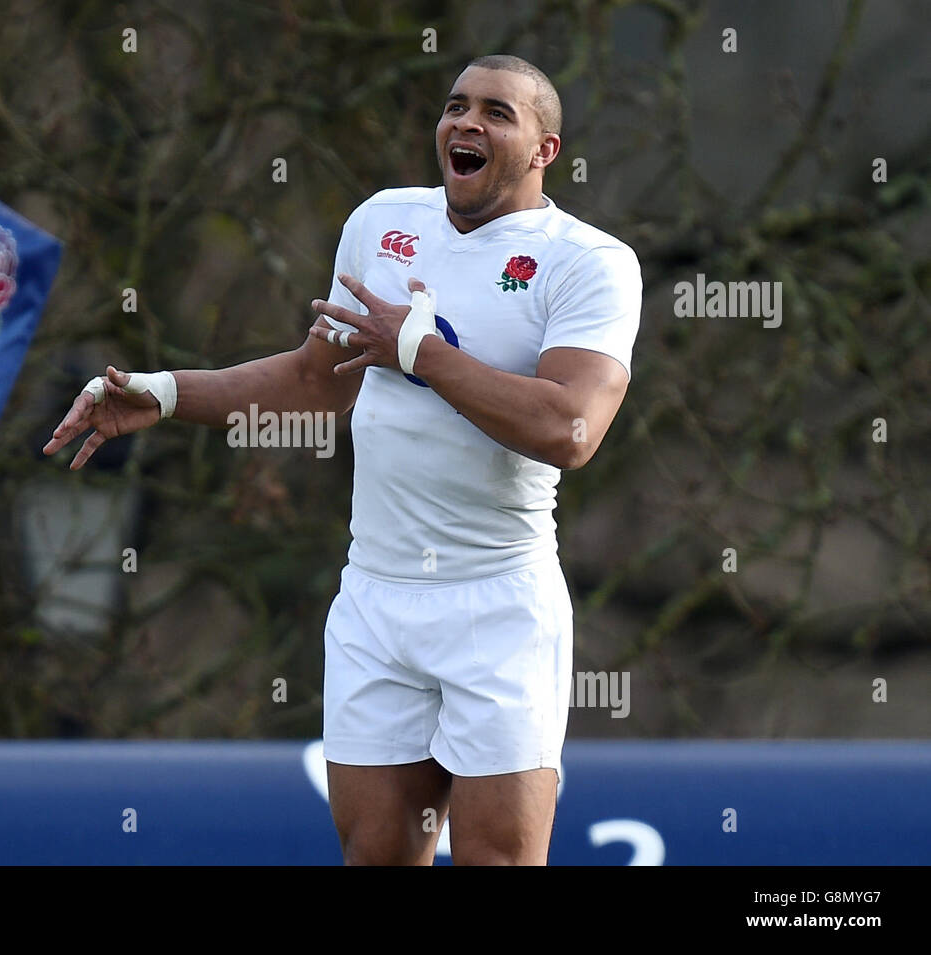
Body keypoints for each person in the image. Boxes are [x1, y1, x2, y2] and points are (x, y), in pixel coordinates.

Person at [43, 54, 642, 865]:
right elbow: (312, 382)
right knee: (377, 855)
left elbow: (571, 430)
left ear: (545, 149)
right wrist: (165, 393)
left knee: (496, 859)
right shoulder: (381, 224)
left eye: (497, 113)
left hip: (499, 607)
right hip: (377, 599)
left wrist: (420, 352)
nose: (466, 123)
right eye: (455, 106)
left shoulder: (589, 262)